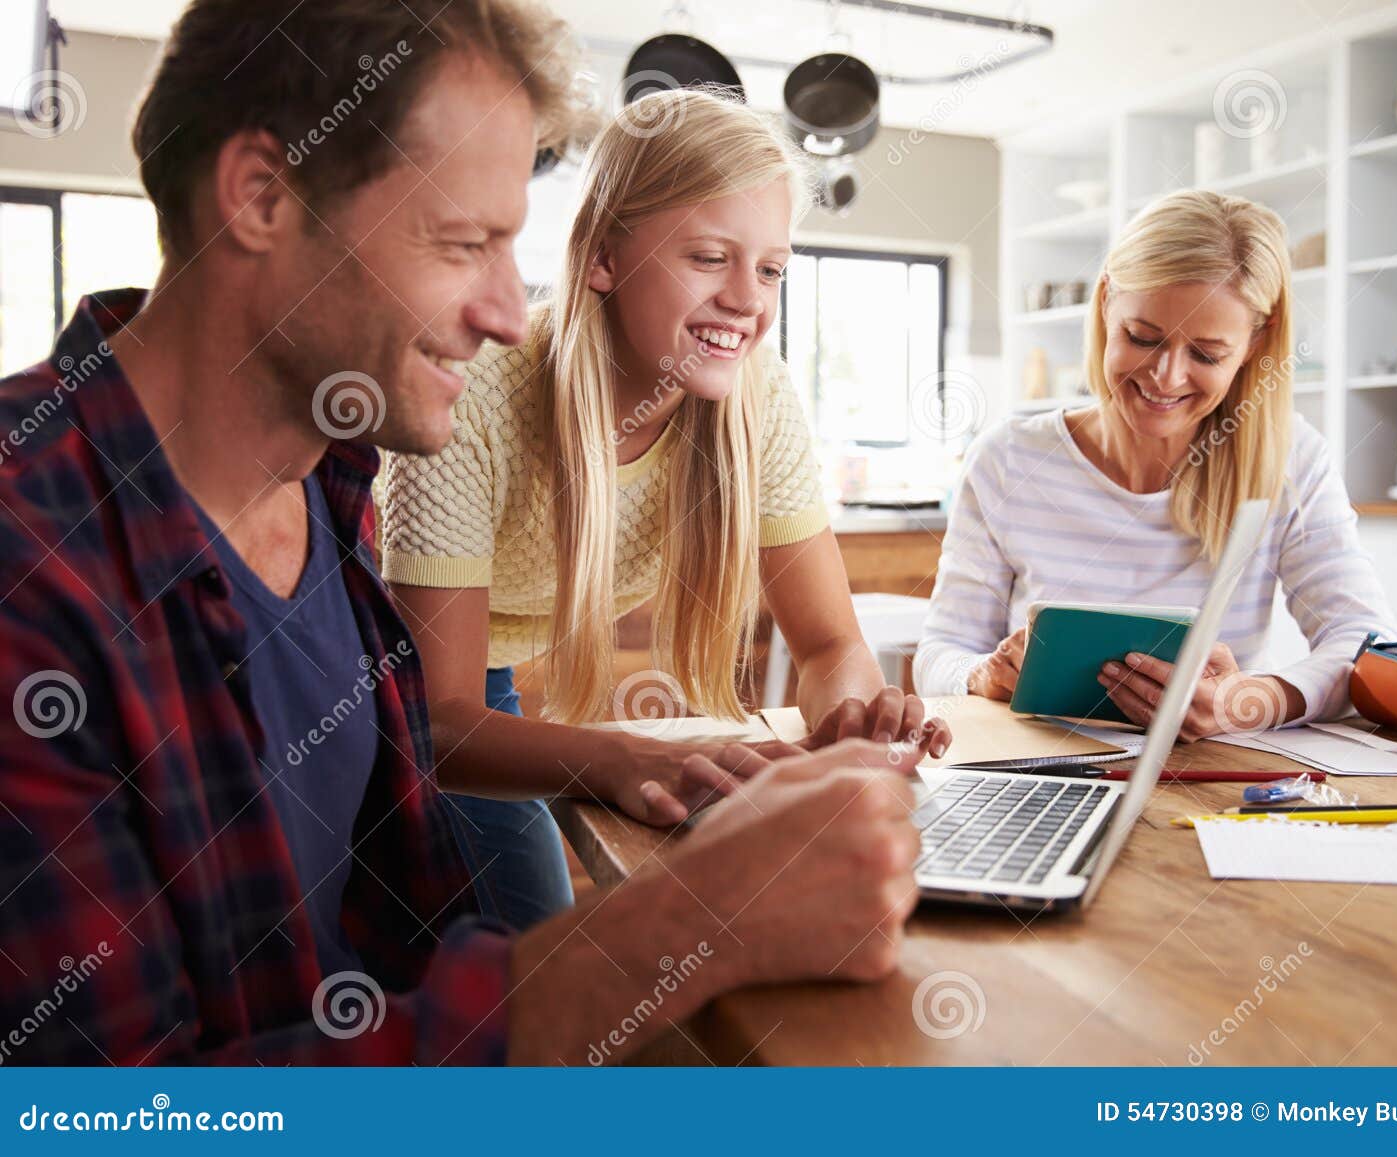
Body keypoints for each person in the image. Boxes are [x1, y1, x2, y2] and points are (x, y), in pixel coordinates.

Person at [0, 0, 919, 1066]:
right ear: (261, 196)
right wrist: (677, 925)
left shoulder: (327, 492)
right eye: (463, 242)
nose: (508, 313)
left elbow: (383, 968)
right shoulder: (32, 560)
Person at [375, 87, 950, 930]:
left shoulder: (756, 398)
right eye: (710, 257)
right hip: (363, 677)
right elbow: (438, 718)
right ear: (604, 256)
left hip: (473, 688)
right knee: (480, 943)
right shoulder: (477, 394)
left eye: (771, 269)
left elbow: (831, 644)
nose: (748, 300)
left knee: (533, 935)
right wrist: (623, 757)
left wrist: (852, 725)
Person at [915, 190, 1397, 739]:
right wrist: (983, 673)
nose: (1166, 378)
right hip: (1039, 761)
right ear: (1105, 303)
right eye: (1143, 338)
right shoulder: (1008, 458)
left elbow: (1369, 642)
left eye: (1206, 354)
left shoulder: (1291, 459)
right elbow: (939, 652)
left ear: (1252, 343)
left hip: (1215, 770)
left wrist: (1252, 699)